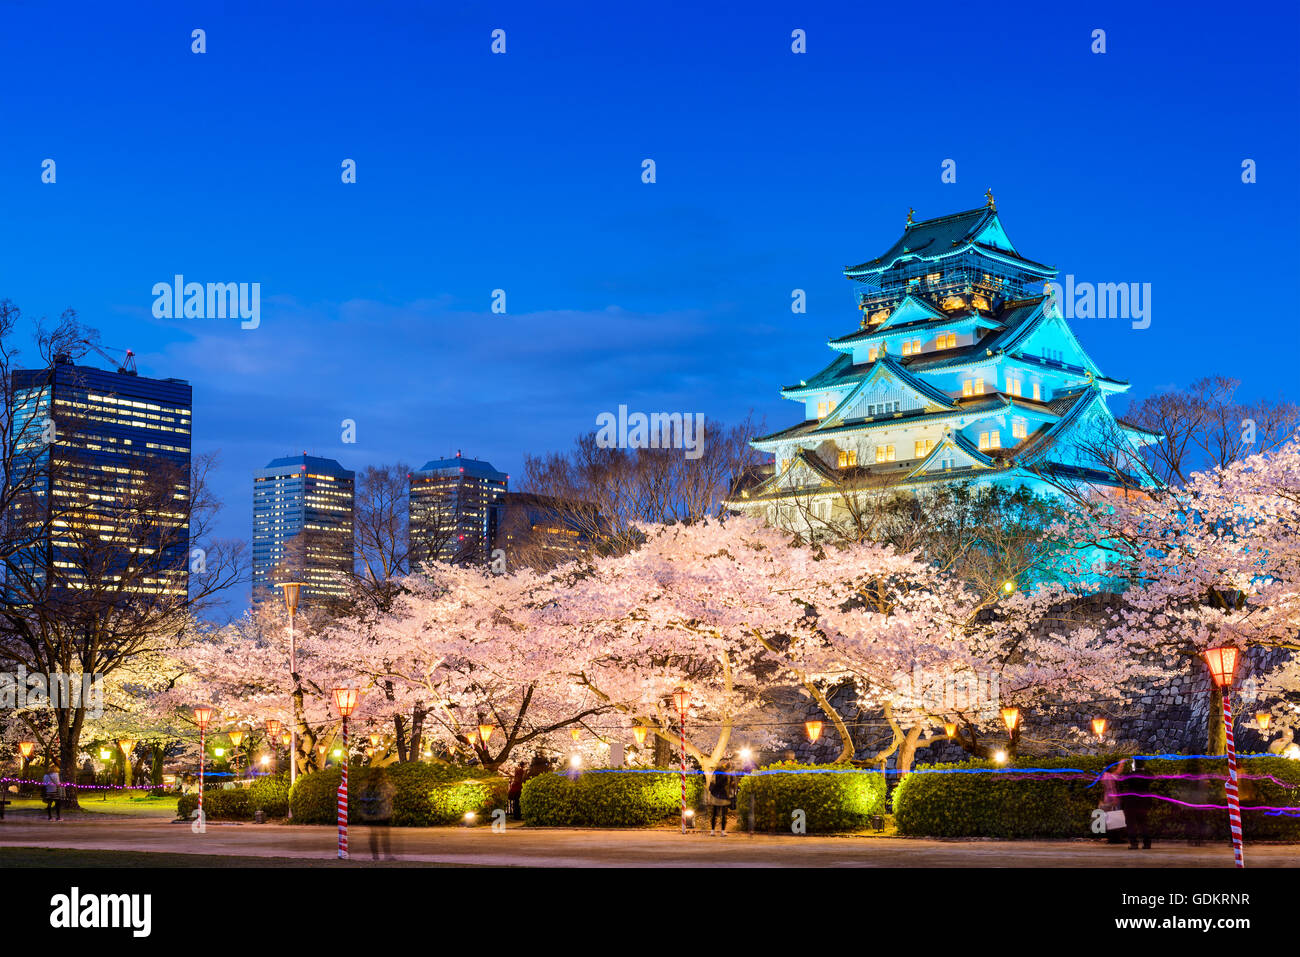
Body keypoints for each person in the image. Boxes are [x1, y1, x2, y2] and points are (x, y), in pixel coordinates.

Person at [359, 768, 395, 861]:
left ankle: (375, 856)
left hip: (370, 813)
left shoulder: (367, 785)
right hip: (383, 813)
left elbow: (361, 795)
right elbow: (392, 792)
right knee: (385, 834)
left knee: (373, 834)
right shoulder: (384, 785)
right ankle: (387, 855)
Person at [1119, 757, 1153, 849]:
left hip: (1131, 801)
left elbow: (1123, 780)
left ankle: (1134, 843)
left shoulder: (1130, 774)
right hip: (1144, 800)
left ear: (1134, 764)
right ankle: (1147, 843)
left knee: (1131, 823)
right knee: (1144, 822)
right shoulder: (1147, 774)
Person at [707, 761, 737, 836]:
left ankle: (712, 831)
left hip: (715, 794)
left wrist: (710, 792)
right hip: (724, 795)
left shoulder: (717, 771)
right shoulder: (729, 774)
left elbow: (712, 782)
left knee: (714, 814)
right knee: (724, 814)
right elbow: (732, 785)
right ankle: (723, 831)